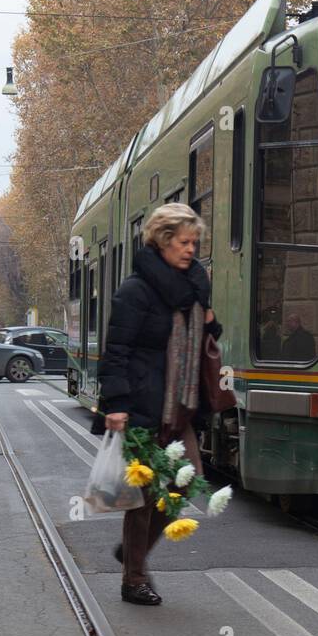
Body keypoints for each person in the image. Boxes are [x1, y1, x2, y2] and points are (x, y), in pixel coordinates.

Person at [92, 203, 222, 605]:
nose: (191, 249)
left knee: (187, 481)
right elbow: (117, 351)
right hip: (143, 407)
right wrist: (116, 404)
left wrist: (210, 322)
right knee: (144, 497)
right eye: (184, 242)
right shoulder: (136, 291)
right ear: (163, 241)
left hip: (180, 405)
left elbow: (203, 337)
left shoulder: (194, 290)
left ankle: (133, 550)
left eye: (194, 242)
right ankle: (134, 579)